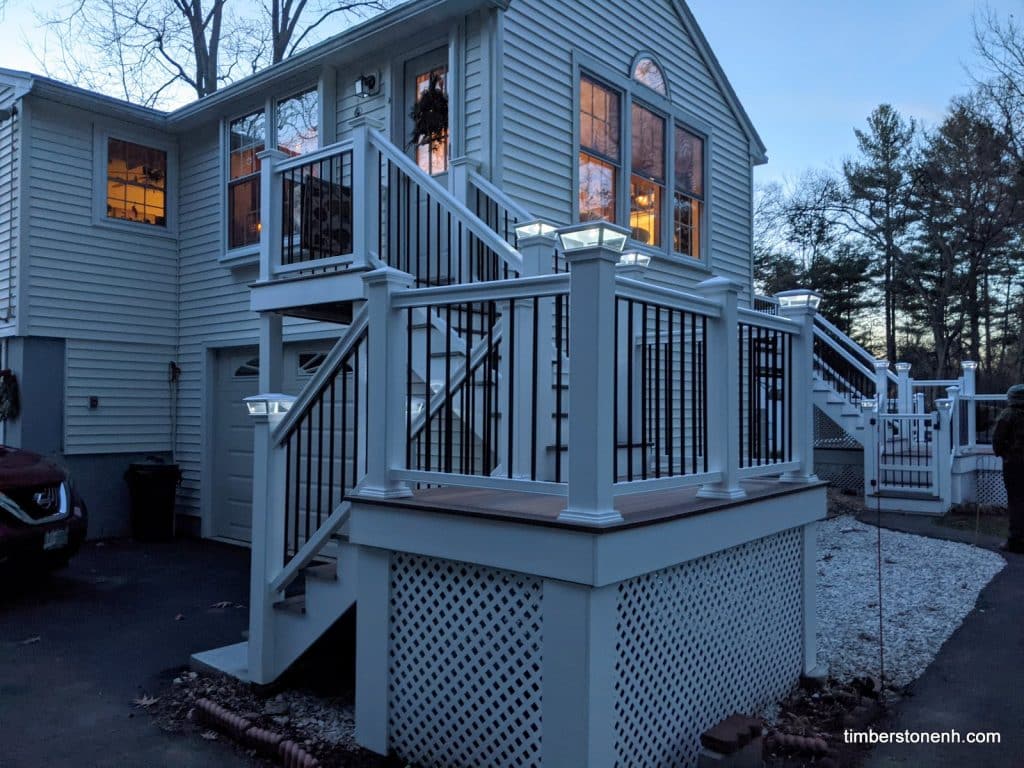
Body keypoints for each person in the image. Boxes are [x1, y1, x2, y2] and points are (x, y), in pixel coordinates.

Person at [992, 384, 1024, 553]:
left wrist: (1003, 453)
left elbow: (997, 441)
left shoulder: (1008, 415)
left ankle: (1016, 541)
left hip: (1015, 465)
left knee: (1016, 501)